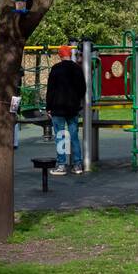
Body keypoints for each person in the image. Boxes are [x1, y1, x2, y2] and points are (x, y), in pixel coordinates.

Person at [45, 44, 86, 175]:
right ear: (69, 54)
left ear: (60, 55)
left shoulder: (56, 69)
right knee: (74, 136)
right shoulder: (77, 69)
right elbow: (82, 88)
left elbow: (50, 90)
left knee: (61, 136)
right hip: (72, 107)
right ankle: (77, 164)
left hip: (58, 107)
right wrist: (77, 101)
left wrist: (49, 107)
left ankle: (61, 165)